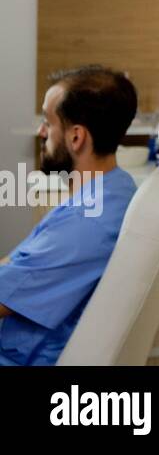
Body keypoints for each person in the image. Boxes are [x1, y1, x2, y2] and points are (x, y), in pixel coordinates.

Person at [0, 66, 139, 365]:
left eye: (48, 122)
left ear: (76, 137)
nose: (41, 132)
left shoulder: (85, 225)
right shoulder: (115, 187)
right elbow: (17, 265)